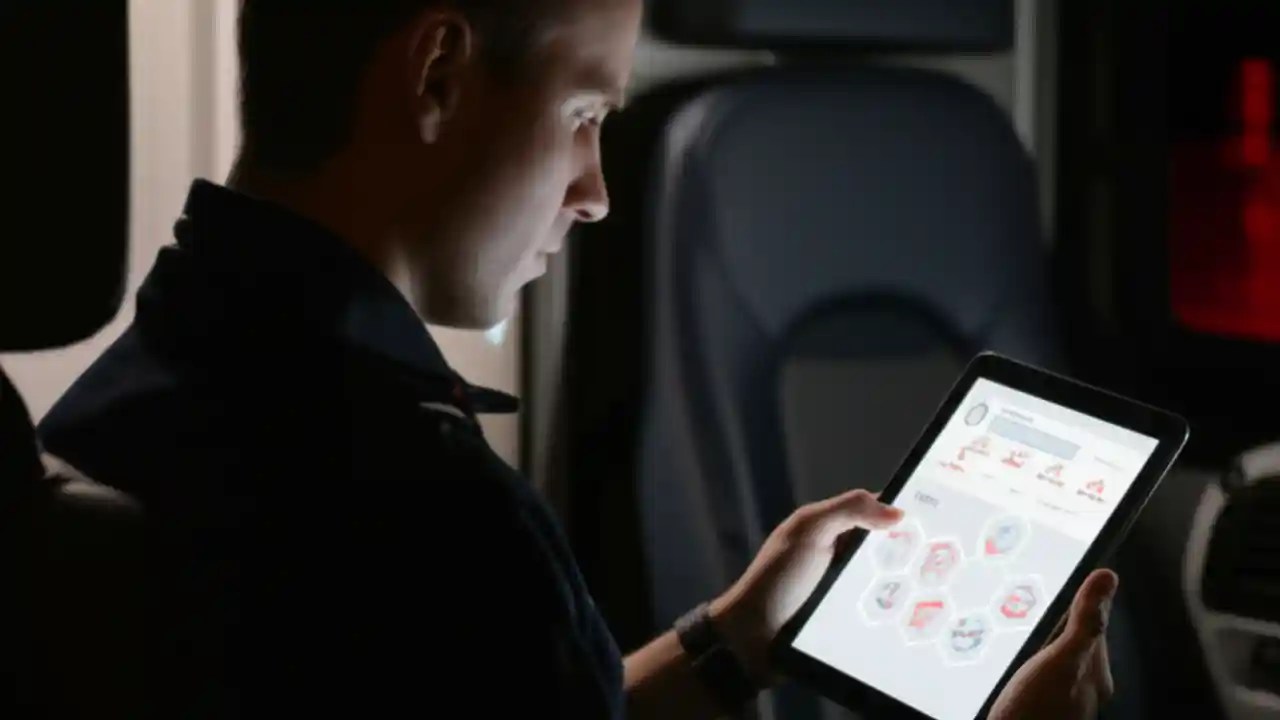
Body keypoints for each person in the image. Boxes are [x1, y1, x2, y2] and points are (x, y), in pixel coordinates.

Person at [37, 0, 1118, 717]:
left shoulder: (146, 388)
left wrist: (735, 632)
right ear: (439, 75)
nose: (595, 191)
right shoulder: (431, 521)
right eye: (586, 113)